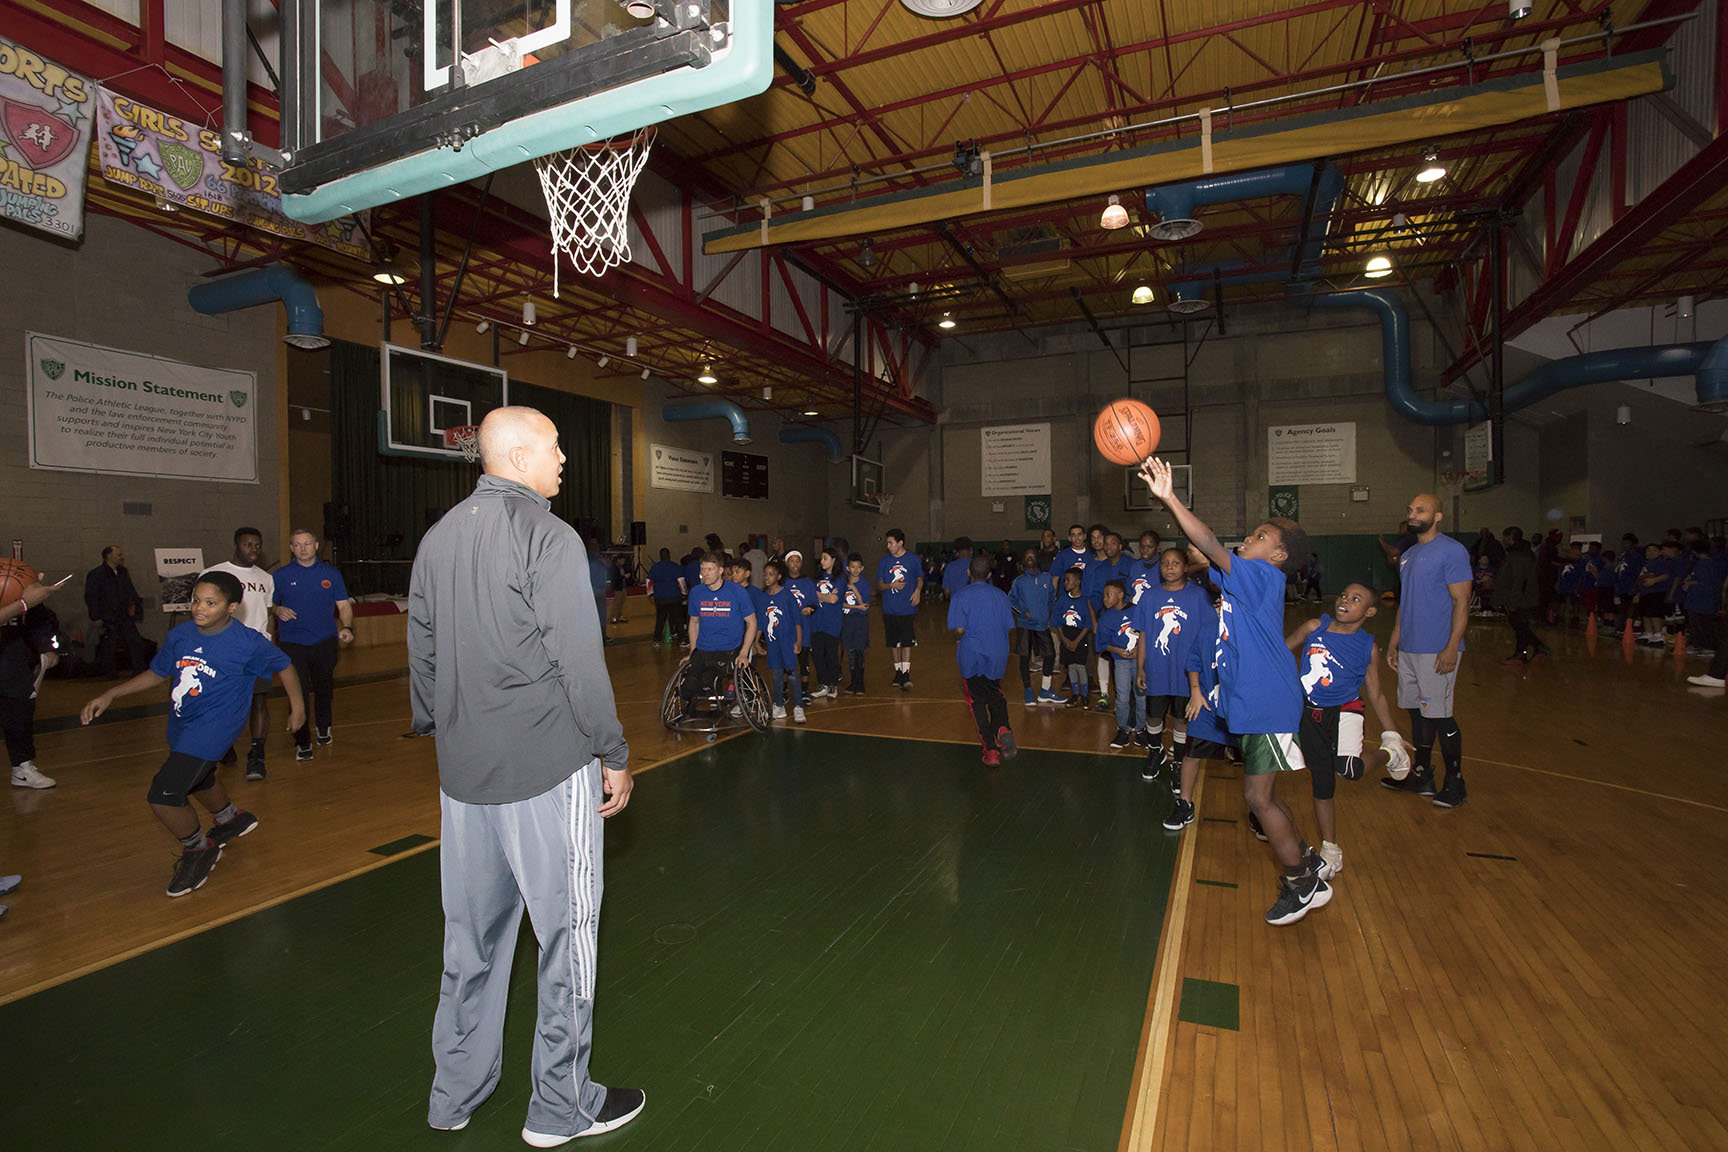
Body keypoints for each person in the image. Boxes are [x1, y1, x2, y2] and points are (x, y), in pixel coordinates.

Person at [406, 406, 642, 1144]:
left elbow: (424, 654)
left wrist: (442, 728)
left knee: (470, 943)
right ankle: (561, 1107)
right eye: (554, 444)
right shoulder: (547, 534)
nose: (565, 457)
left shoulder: (439, 537)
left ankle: (454, 1095)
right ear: (515, 455)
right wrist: (613, 750)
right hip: (546, 769)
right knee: (567, 938)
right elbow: (578, 657)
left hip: (464, 777)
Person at [1139, 456, 1331, 926]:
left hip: (1266, 701)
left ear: (1280, 555)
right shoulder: (1246, 581)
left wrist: (1170, 499)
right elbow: (1207, 557)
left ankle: (1301, 884)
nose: (1250, 538)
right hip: (1252, 701)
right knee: (1267, 794)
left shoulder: (1264, 576)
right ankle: (1309, 865)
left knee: (1257, 798)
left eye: (1261, 536)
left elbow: (1207, 544)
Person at [81, 570, 302, 898]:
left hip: (214, 730)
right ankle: (229, 818)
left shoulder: (247, 642)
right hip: (183, 724)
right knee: (198, 777)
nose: (199, 607)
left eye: (210, 603)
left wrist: (297, 707)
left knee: (164, 794)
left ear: (231, 607)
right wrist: (111, 693)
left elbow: (284, 664)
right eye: (196, 600)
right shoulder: (181, 636)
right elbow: (157, 674)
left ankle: (199, 848)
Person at [1286, 585, 1410, 880]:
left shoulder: (1368, 647)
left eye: (1356, 600)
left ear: (1369, 612)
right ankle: (1331, 849)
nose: (1345, 601)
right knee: (1322, 780)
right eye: (1343, 595)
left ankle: (1390, 753)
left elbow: (1377, 694)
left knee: (1349, 769)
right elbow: (1280, 651)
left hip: (1345, 710)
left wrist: (1392, 732)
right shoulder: (1314, 627)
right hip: (1309, 712)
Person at [1383, 493, 1473, 809]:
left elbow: (1462, 602)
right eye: (1410, 509)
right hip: (1409, 648)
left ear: (1437, 516)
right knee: (1416, 711)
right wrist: (1395, 641)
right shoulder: (1409, 554)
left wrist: (1451, 647)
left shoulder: (1452, 551)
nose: (1413, 514)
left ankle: (1455, 782)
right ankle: (1422, 774)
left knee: (1440, 715)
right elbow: (1404, 603)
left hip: (1436, 649)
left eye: (1421, 510)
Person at [271, 529, 353, 762]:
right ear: (291, 548)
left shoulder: (331, 574)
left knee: (324, 687)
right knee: (297, 691)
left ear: (316, 545)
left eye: (307, 543)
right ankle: (302, 740)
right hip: (292, 642)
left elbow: (344, 606)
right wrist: (277, 610)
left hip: (324, 641)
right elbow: (270, 605)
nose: (303, 548)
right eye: (297, 545)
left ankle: (324, 726)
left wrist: (346, 628)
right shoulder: (281, 575)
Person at [205, 527, 276, 781]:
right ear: (237, 545)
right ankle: (224, 745)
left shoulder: (266, 578)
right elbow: (203, 613)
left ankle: (257, 756)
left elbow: (267, 614)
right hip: (225, 650)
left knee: (259, 701)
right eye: (249, 545)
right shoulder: (215, 574)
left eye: (258, 545)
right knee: (223, 703)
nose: (254, 550)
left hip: (256, 650)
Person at [1135, 548, 1210, 772]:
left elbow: (1205, 634)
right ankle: (1155, 751)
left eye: (1175, 563)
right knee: (1154, 715)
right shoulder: (1149, 596)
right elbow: (1143, 635)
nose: (1169, 567)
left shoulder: (1197, 595)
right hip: (1157, 669)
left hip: (1186, 672)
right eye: (1165, 563)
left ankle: (1178, 762)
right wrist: (1140, 668)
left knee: (1181, 718)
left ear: (1185, 568)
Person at [948, 554, 1017, 765]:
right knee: (995, 694)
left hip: (971, 655)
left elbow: (958, 631)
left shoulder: (960, 596)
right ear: (989, 574)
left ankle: (990, 750)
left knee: (976, 701)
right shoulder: (1001, 596)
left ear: (969, 573)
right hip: (996, 653)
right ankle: (1002, 727)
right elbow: (1008, 627)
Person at [684, 552, 758, 711]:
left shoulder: (737, 592)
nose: (705, 574)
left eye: (709, 569)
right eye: (703, 569)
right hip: (704, 649)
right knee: (689, 685)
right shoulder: (696, 592)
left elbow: (751, 622)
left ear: (720, 571)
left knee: (722, 674)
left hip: (729, 649)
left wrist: (744, 652)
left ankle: (744, 697)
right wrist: (692, 651)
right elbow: (694, 622)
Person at [3, 601, 61, 789]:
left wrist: (47, 646)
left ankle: (22, 768)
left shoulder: (17, 578)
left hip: (12, 658)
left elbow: (42, 620)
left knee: (20, 711)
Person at [1083, 532, 1132, 714]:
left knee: (1125, 661)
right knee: (1104, 655)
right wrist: (1095, 622)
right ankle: (1104, 695)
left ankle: (1126, 698)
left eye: (1113, 543)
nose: (1109, 547)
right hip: (1105, 620)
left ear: (1121, 546)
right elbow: (1091, 597)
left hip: (1127, 621)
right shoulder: (1099, 569)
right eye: (1106, 544)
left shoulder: (1131, 565)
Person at [83, 545, 150, 676]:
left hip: (124, 614)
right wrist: (95, 616)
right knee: (110, 645)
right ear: (109, 556)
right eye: (118, 555)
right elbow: (91, 596)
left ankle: (139, 669)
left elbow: (130, 591)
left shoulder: (123, 572)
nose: (122, 557)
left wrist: (135, 607)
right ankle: (109, 671)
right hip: (108, 615)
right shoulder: (96, 574)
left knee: (135, 641)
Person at [1096, 579, 1142, 749]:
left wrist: (1139, 650)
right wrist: (1117, 649)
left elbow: (1147, 634)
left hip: (1139, 661)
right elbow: (1102, 643)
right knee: (1122, 697)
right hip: (1121, 661)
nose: (1105, 599)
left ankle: (1141, 730)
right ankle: (1123, 729)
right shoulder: (1106, 616)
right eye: (1103, 595)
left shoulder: (1137, 611)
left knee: (1141, 696)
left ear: (1121, 595)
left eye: (1108, 595)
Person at [758, 559, 805, 723]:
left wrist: (798, 641)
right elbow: (760, 623)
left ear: (778, 576)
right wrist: (756, 642)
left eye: (771, 574)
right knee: (777, 675)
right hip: (773, 643)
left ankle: (798, 706)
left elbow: (797, 622)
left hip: (788, 642)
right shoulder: (763, 598)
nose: (767, 577)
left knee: (792, 674)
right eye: (765, 574)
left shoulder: (787, 596)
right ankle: (778, 705)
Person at [1009, 548, 1058, 706]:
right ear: (1023, 561)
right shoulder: (1019, 581)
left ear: (1037, 559)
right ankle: (1028, 689)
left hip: (1042, 624)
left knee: (1050, 654)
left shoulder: (1046, 578)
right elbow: (1011, 600)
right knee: (1024, 656)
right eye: (1026, 555)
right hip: (1025, 625)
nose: (1030, 558)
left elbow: (1052, 597)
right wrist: (1024, 612)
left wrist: (1047, 613)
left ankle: (1045, 689)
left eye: (1032, 555)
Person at [876, 529, 923, 690]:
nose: (888, 546)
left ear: (900, 542)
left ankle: (906, 673)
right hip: (889, 608)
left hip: (907, 608)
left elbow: (920, 578)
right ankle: (897, 672)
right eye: (887, 543)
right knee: (893, 643)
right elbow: (880, 584)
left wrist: (918, 591)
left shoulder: (913, 559)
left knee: (907, 642)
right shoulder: (884, 561)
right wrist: (891, 585)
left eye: (891, 542)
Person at [1494, 529, 1545, 664]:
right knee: (1521, 627)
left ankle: (1525, 652)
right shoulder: (1519, 555)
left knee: (1520, 627)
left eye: (1504, 538)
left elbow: (1519, 581)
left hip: (1521, 599)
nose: (1503, 540)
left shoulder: (1519, 556)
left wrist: (1513, 602)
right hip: (1520, 598)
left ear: (1510, 538)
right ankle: (1534, 649)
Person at [808, 547, 845, 699]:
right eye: (821, 558)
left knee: (831, 654)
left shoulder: (840, 578)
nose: (822, 561)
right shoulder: (817, 577)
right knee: (818, 655)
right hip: (816, 622)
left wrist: (818, 595)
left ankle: (832, 685)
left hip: (832, 623)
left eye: (825, 558)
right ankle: (822, 684)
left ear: (834, 560)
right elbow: (811, 596)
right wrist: (824, 595)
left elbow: (833, 599)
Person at [1054, 567, 1093, 708]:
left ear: (1077, 582)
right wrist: (1064, 639)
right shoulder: (1062, 600)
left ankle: (1084, 695)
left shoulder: (1084, 600)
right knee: (1070, 666)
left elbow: (1087, 624)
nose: (1065, 583)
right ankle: (1075, 694)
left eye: (1068, 580)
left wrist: (1076, 641)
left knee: (1080, 666)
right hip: (1066, 634)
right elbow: (1057, 621)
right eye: (1065, 580)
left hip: (1080, 636)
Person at [841, 553, 871, 695]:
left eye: (858, 567)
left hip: (860, 623)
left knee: (859, 652)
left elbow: (864, 607)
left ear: (862, 568)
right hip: (847, 622)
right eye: (852, 567)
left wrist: (854, 590)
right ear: (848, 568)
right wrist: (854, 607)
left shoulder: (864, 584)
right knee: (851, 653)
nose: (855, 569)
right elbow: (840, 604)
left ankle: (861, 683)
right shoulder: (842, 583)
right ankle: (853, 682)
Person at [646, 548, 688, 646]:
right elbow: (681, 581)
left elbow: (649, 582)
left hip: (660, 598)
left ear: (660, 556)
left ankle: (656, 640)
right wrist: (684, 593)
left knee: (660, 619)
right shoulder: (675, 566)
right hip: (674, 597)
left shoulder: (655, 567)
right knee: (678, 619)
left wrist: (651, 594)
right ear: (669, 555)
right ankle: (682, 640)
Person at [941, 538, 974, 602]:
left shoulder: (950, 567)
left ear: (956, 552)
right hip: (975, 605)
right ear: (971, 550)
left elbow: (946, 592)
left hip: (956, 605)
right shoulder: (978, 564)